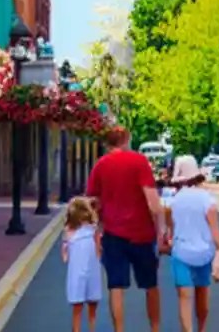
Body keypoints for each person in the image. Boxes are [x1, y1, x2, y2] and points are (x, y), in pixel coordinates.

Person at [86, 126, 168, 332]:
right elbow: (153, 203)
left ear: (107, 142)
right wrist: (162, 231)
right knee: (150, 285)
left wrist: (98, 229)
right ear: (127, 139)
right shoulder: (139, 161)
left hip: (112, 234)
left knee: (116, 286)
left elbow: (92, 202)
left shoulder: (100, 165)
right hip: (142, 234)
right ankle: (155, 328)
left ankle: (119, 330)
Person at [163, 155, 219, 332]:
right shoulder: (207, 199)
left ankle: (187, 330)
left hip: (181, 253)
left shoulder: (172, 201)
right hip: (204, 253)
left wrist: (167, 241)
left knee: (184, 297)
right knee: (202, 296)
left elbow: (170, 231)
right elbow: (215, 229)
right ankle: (201, 328)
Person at [61, 197, 102, 332]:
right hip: (90, 271)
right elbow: (98, 251)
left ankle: (78, 329)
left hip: (78, 273)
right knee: (90, 308)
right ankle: (89, 329)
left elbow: (65, 257)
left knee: (79, 308)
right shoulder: (92, 231)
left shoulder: (70, 232)